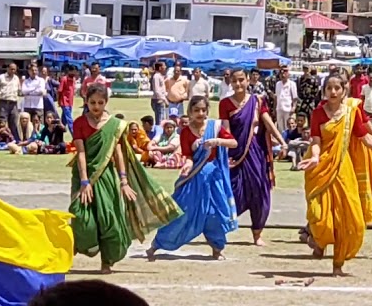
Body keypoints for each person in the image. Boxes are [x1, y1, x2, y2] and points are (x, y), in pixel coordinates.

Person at [70, 84, 182, 274]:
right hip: (83, 176)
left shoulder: (115, 125)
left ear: (106, 103)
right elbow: (80, 153)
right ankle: (74, 247)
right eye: (92, 103)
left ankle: (107, 261)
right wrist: (84, 182)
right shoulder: (80, 123)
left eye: (100, 102)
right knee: (81, 218)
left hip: (106, 177)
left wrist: (123, 181)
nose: (96, 106)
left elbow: (118, 153)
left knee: (108, 220)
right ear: (86, 102)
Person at [298, 74, 372, 276]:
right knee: (319, 215)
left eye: (337, 88)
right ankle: (318, 239)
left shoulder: (351, 112)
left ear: (344, 90)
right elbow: (316, 140)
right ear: (324, 91)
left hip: (343, 169)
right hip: (319, 168)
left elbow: (365, 136)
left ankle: (338, 264)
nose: (333, 92)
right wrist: (315, 157)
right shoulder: (318, 112)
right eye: (329, 88)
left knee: (350, 218)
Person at [145, 95, 239, 261]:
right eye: (196, 110)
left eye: (203, 110)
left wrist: (216, 141)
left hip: (214, 178)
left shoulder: (214, 126)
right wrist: (187, 165)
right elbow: (188, 155)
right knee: (183, 212)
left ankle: (217, 249)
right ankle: (157, 244)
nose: (200, 113)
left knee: (214, 214)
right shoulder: (186, 132)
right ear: (189, 112)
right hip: (195, 178)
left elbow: (233, 143)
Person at [221, 69, 286, 246]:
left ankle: (257, 234)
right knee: (232, 192)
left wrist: (282, 142)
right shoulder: (225, 104)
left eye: (241, 80)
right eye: (234, 81)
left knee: (260, 190)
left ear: (248, 80)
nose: (238, 84)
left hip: (256, 154)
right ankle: (220, 228)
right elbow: (226, 131)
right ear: (230, 83)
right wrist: (225, 152)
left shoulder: (257, 101)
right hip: (236, 155)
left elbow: (268, 123)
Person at [0, 63, 22, 141]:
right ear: (7, 69)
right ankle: (0, 139)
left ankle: (15, 140)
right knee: (2, 122)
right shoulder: (1, 77)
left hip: (14, 103)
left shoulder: (16, 78)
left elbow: (19, 90)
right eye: (11, 69)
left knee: (14, 122)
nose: (13, 71)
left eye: (14, 69)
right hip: (3, 102)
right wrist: (0, 95)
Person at [58, 66, 77, 131]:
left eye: (75, 71)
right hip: (64, 102)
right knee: (69, 120)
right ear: (69, 71)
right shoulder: (64, 79)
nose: (74, 73)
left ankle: (59, 135)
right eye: (73, 71)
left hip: (70, 102)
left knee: (64, 120)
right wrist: (59, 101)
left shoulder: (73, 80)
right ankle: (74, 135)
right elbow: (59, 91)